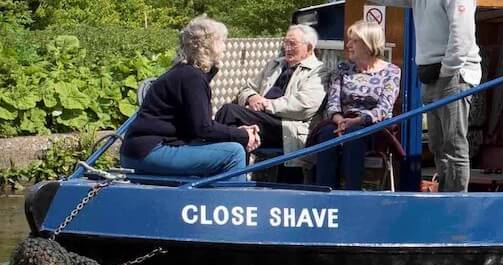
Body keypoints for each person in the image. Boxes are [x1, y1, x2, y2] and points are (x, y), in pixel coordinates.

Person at [320, 0, 481, 192]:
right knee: (439, 145)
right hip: (431, 75)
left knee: (454, 144)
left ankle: (457, 203)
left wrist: (447, 71)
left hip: (454, 76)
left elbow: (461, 35)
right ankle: (445, 199)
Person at [121, 15, 259, 177]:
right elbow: (203, 129)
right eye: (222, 41)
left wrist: (237, 132)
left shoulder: (184, 72)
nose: (224, 47)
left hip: (139, 150)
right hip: (150, 151)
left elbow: (196, 125)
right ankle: (232, 201)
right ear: (208, 45)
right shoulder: (192, 77)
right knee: (234, 152)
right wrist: (242, 135)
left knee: (225, 145)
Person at [215, 23, 326, 171]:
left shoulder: (320, 71)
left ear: (309, 47)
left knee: (230, 112)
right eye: (285, 42)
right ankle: (233, 176)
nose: (287, 48)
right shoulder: (275, 65)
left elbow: (304, 106)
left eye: (292, 44)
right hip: (261, 120)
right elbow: (247, 89)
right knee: (239, 130)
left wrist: (265, 105)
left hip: (288, 126)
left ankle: (213, 171)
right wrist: (252, 98)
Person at [309, 19, 402, 190]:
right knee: (327, 134)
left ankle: (351, 192)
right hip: (341, 122)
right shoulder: (343, 68)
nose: (349, 44)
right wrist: (339, 120)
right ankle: (325, 193)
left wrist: (356, 121)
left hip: (373, 125)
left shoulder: (392, 72)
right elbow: (333, 103)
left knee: (354, 134)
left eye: (354, 41)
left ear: (368, 44)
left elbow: (384, 108)